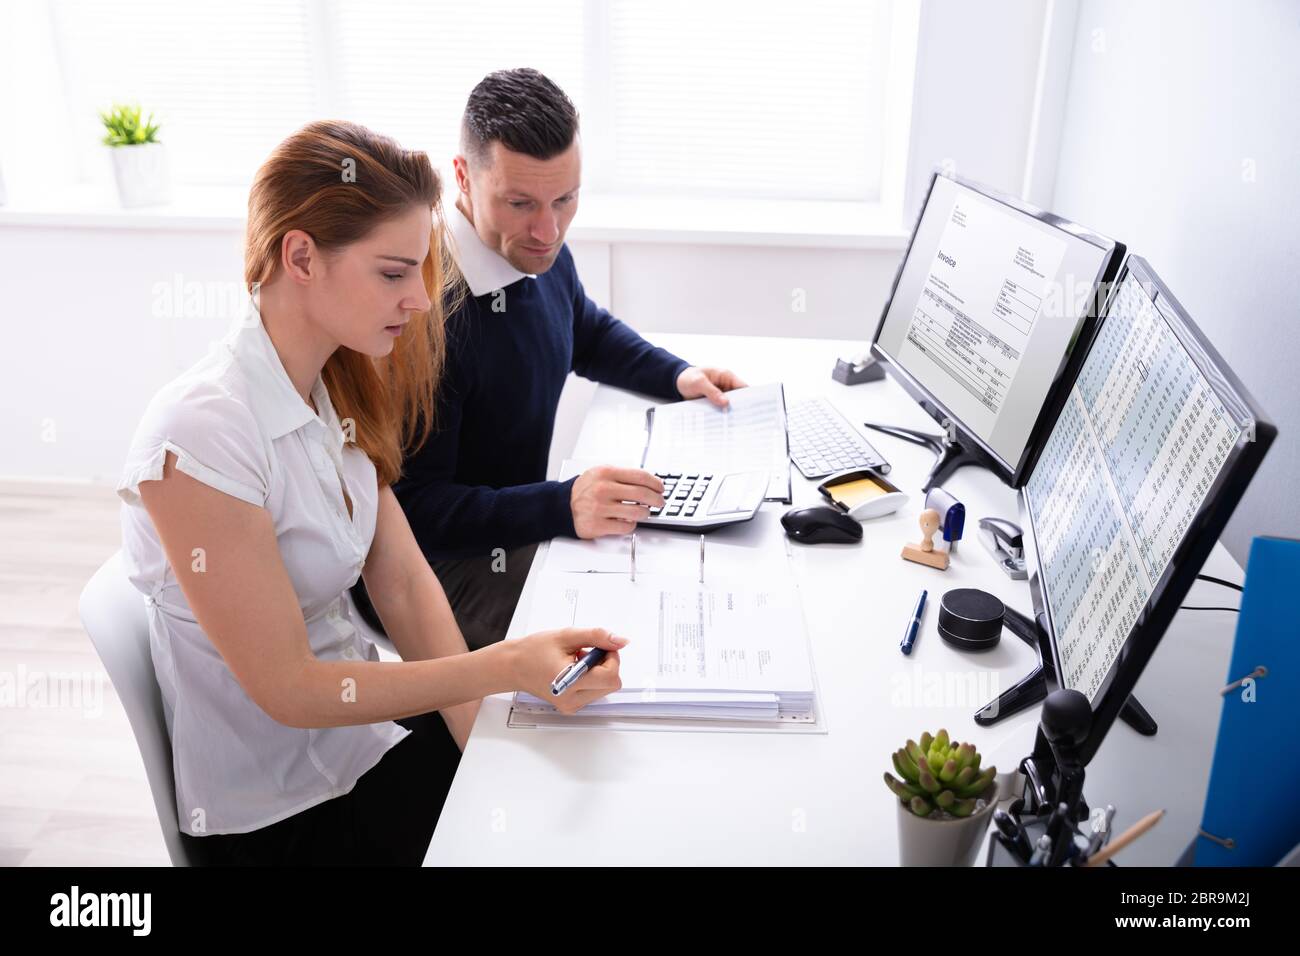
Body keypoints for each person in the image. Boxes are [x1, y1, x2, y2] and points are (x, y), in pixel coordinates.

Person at [116, 120, 625, 866]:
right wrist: (505, 668)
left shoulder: (338, 383)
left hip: (364, 747)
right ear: (301, 257)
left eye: (422, 270)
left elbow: (404, 582)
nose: (421, 300)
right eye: (393, 273)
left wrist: (475, 747)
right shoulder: (199, 435)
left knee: (571, 797)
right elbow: (289, 689)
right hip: (280, 816)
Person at [352, 68, 747, 650]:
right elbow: (413, 508)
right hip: (437, 567)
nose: (549, 229)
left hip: (514, 527)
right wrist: (561, 504)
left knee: (677, 570)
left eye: (566, 199)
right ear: (461, 176)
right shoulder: (425, 313)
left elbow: (581, 326)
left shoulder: (535, 246)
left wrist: (676, 375)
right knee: (634, 630)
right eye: (521, 203)